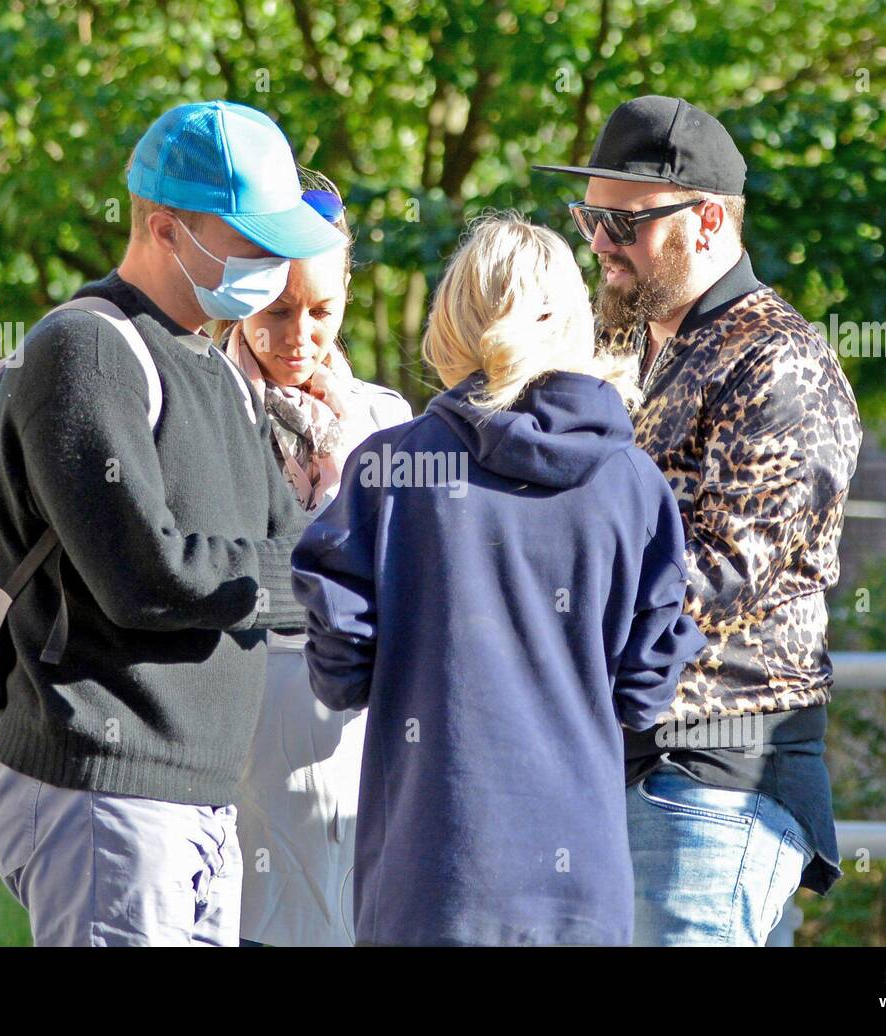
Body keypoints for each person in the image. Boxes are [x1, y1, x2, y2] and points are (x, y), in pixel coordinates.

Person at [0, 100, 346, 947]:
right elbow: (146, 578)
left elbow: (293, 544)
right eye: (251, 237)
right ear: (164, 228)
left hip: (196, 798)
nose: (275, 261)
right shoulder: (84, 350)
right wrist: (311, 570)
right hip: (107, 790)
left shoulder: (209, 365)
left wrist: (307, 563)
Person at [291, 212, 707, 946]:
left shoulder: (390, 469)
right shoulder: (635, 484)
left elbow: (339, 673)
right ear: (573, 323)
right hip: (581, 892)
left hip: (431, 879)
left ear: (455, 321)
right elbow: (645, 694)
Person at [534, 95, 864, 945]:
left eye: (624, 223)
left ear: (709, 220)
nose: (599, 245)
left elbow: (717, 576)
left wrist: (527, 599)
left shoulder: (778, 360)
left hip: (716, 776)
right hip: (622, 768)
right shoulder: (630, 356)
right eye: (589, 218)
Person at [228, 168, 413, 947]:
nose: (299, 335)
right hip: (240, 758)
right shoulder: (202, 403)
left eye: (322, 311)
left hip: (355, 755)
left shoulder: (384, 421)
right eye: (277, 310)